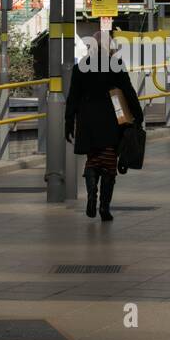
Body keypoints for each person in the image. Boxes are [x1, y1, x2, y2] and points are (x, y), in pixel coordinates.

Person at [66, 34, 144, 221]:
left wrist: (68, 122)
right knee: (109, 161)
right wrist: (138, 115)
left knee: (92, 158)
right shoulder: (115, 66)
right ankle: (104, 207)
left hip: (87, 121)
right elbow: (129, 92)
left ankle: (92, 194)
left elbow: (72, 98)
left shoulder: (80, 68)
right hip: (111, 119)